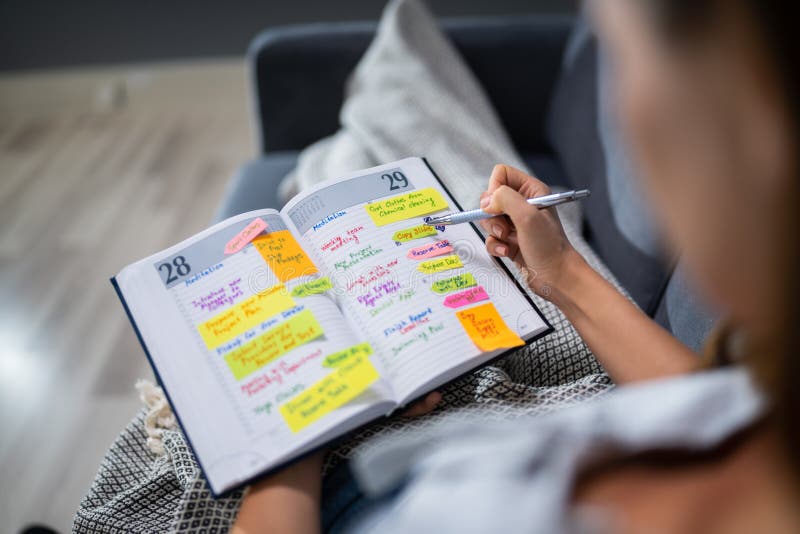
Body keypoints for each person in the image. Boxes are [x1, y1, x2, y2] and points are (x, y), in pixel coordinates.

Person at [233, 0, 800, 532]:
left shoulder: (495, 513)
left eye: (622, 62)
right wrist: (562, 274)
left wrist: (295, 443)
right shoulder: (757, 418)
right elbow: (705, 408)